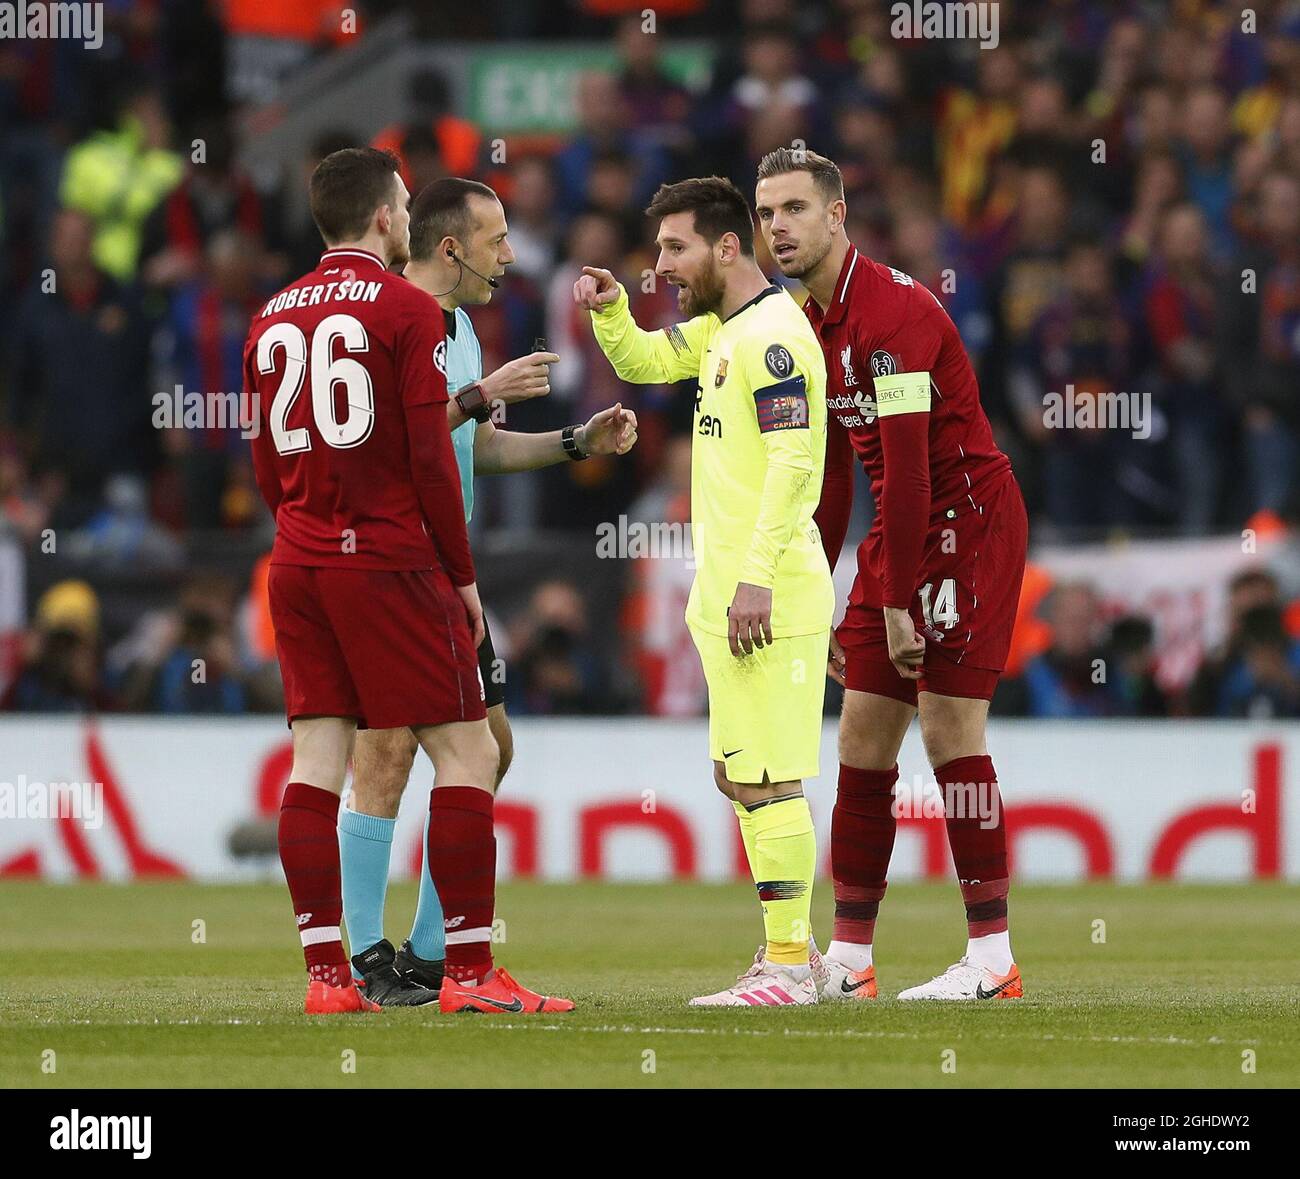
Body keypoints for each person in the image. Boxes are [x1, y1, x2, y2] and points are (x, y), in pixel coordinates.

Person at [340, 176, 635, 1012]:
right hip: (388, 564)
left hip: (447, 568)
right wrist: (480, 395)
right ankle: (369, 957)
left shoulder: (463, 328)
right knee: (387, 755)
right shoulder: (383, 319)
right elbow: (383, 447)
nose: (511, 255)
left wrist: (577, 441)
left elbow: (476, 447)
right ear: (450, 247)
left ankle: (433, 954)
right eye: (497, 238)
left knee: (492, 751)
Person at [754, 147, 1028, 1001]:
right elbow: (836, 472)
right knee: (863, 739)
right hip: (902, 537)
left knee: (950, 729)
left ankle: (992, 955)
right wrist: (819, 582)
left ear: (838, 216)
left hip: (966, 523)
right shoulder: (807, 322)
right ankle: (852, 958)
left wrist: (900, 600)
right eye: (766, 215)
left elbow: (909, 473)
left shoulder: (896, 316)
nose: (778, 228)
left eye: (794, 209)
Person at [245, 147, 494, 1015]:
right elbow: (430, 459)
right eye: (400, 201)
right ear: (388, 217)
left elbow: (264, 463)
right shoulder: (405, 307)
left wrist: (305, 519)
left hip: (298, 557)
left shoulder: (270, 314)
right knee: (471, 750)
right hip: (387, 558)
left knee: (317, 761)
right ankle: (467, 971)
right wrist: (460, 578)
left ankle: (328, 979)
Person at [575, 176, 834, 1007]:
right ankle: (800, 955)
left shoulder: (774, 338)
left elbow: (798, 462)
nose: (663, 267)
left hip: (767, 595)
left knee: (769, 777)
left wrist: (757, 577)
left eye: (674, 249)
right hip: (730, 598)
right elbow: (644, 359)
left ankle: (790, 964)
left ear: (727, 247)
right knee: (740, 777)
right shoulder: (724, 331)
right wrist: (611, 308)